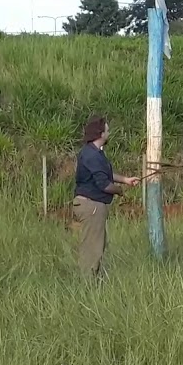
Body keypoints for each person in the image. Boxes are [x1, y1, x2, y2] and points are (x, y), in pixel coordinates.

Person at [72, 115, 141, 277]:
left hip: (92, 205)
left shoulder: (94, 153)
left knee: (97, 244)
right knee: (93, 248)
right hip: (92, 206)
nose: (109, 133)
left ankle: (92, 278)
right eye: (107, 131)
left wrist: (125, 180)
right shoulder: (92, 156)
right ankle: (88, 282)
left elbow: (105, 175)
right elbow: (104, 184)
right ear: (100, 133)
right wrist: (119, 190)